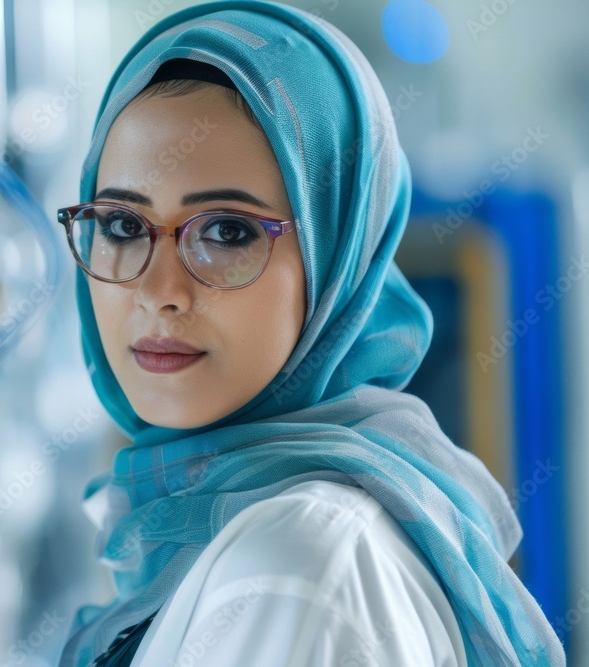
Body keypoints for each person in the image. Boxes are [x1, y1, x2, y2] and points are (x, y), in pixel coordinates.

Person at [53, 2, 567, 666]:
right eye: (123, 225)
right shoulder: (237, 526)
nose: (159, 293)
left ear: (337, 262)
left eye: (226, 231)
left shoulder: (296, 564)